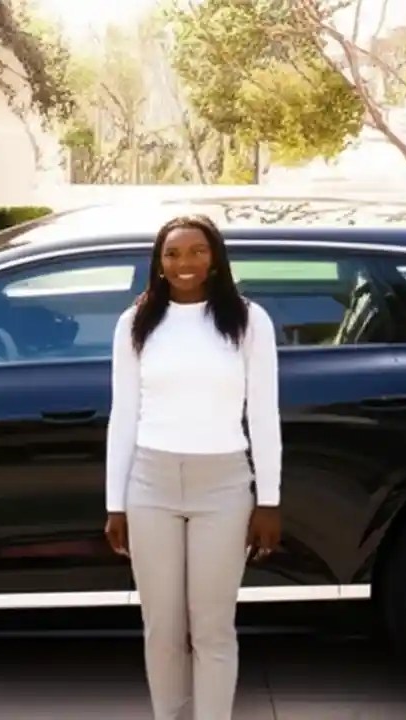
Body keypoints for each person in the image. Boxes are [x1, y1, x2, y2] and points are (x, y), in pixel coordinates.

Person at [104, 214, 282, 720]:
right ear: (158, 264)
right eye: (173, 254)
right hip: (150, 484)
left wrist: (267, 499)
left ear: (216, 257)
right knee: (161, 625)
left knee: (211, 627)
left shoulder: (249, 320)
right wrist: (115, 502)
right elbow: (123, 416)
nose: (186, 263)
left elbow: (263, 414)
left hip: (224, 485)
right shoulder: (135, 322)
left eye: (197, 251)